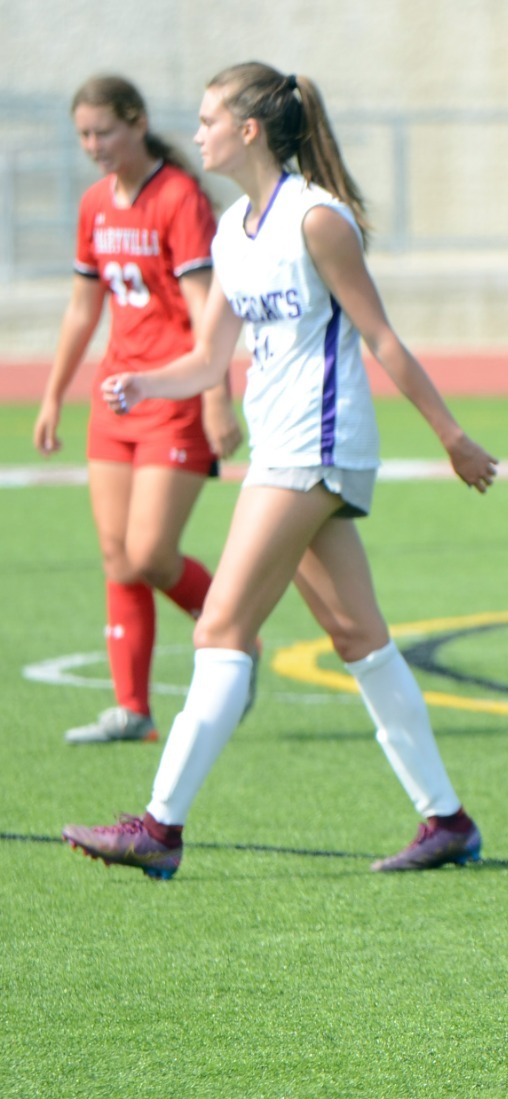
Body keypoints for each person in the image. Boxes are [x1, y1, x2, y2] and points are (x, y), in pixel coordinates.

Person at [60, 61, 498, 880]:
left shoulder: (317, 219)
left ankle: (158, 828)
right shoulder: (233, 229)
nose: (196, 133)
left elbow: (383, 338)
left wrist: (452, 436)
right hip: (282, 447)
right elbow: (209, 359)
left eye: (208, 120)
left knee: (220, 629)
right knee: (359, 636)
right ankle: (448, 820)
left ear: (249, 130)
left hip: (316, 447)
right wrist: (143, 383)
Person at [34, 74, 240, 745]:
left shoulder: (179, 198)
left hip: (173, 398)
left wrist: (216, 398)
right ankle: (132, 710)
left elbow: (205, 311)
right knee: (116, 555)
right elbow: (82, 309)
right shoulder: (96, 203)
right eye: (84, 135)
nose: (94, 145)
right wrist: (53, 395)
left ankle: (236, 634)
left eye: (104, 131)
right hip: (115, 401)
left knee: (150, 553)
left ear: (138, 124)